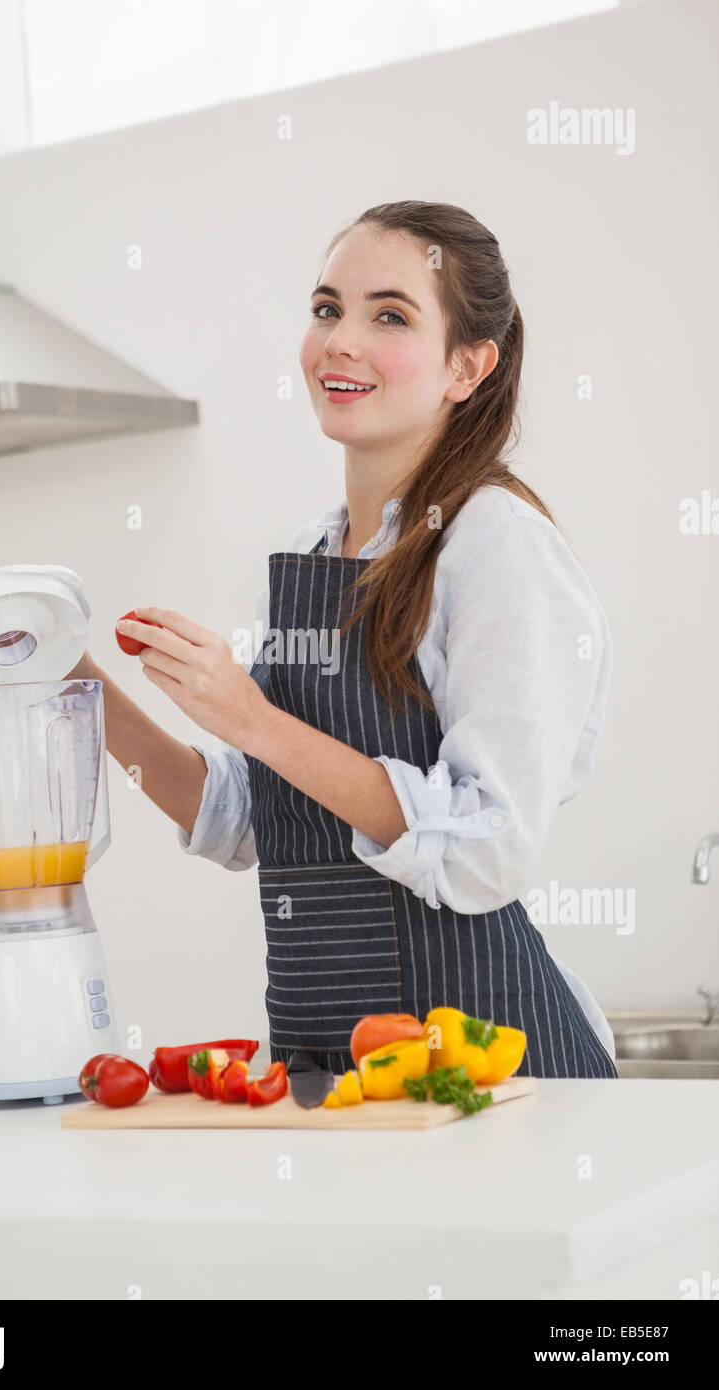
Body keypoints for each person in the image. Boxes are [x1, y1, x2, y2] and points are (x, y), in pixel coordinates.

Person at [72, 200, 617, 1079]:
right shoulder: (312, 559)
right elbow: (253, 819)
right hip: (334, 1076)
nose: (340, 341)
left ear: (468, 366)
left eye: (389, 316)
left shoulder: (499, 547)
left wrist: (251, 718)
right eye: (328, 309)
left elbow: (485, 849)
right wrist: (77, 683)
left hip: (495, 1087)